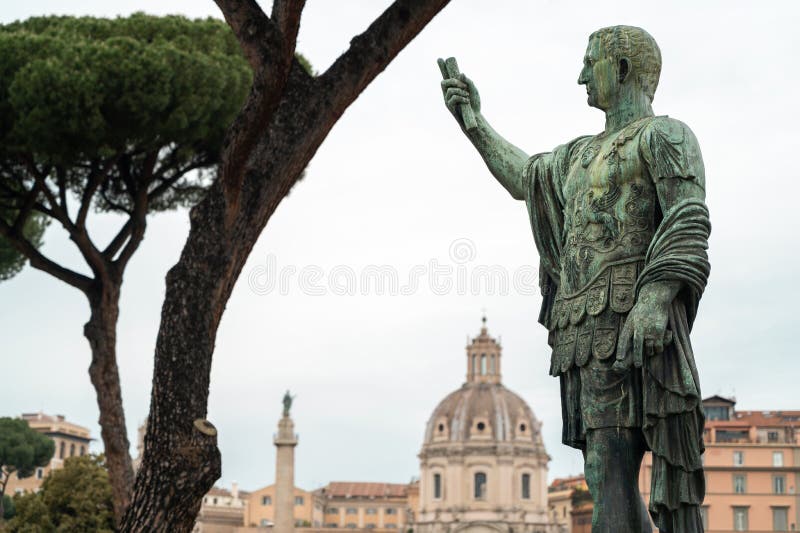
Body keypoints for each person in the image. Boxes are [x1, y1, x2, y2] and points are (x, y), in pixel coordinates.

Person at [440, 26, 710, 533]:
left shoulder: (665, 136)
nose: (582, 74)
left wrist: (654, 298)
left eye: (592, 62)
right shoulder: (577, 154)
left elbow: (688, 216)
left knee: (646, 469)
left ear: (623, 70)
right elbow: (528, 178)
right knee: (603, 468)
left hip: (640, 319)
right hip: (585, 327)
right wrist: (475, 125)